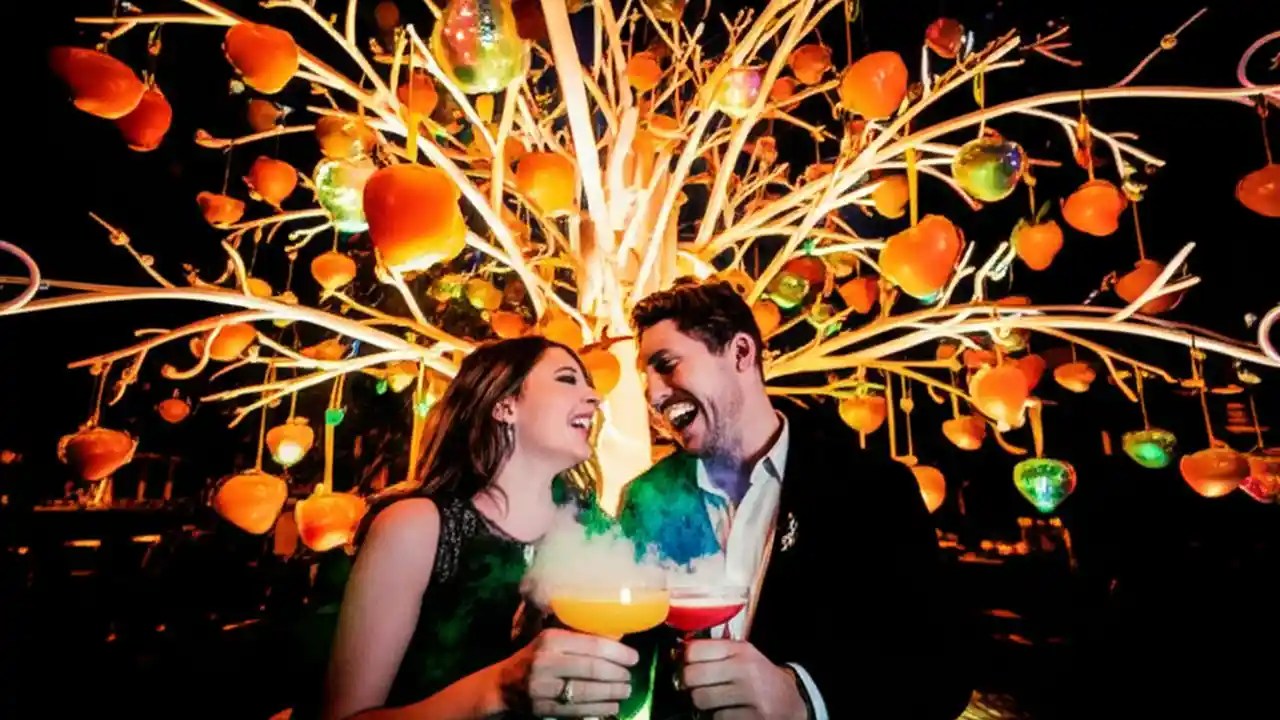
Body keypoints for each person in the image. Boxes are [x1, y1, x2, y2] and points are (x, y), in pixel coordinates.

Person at [616, 279, 974, 719]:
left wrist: (804, 698)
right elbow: (628, 665)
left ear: (741, 353)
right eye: (645, 376)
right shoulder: (646, 498)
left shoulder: (871, 488)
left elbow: (942, 674)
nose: (652, 395)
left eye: (666, 364)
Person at [320, 336, 640, 720]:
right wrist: (500, 687)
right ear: (504, 405)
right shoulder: (416, 527)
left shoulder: (593, 532)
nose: (595, 398)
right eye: (568, 379)